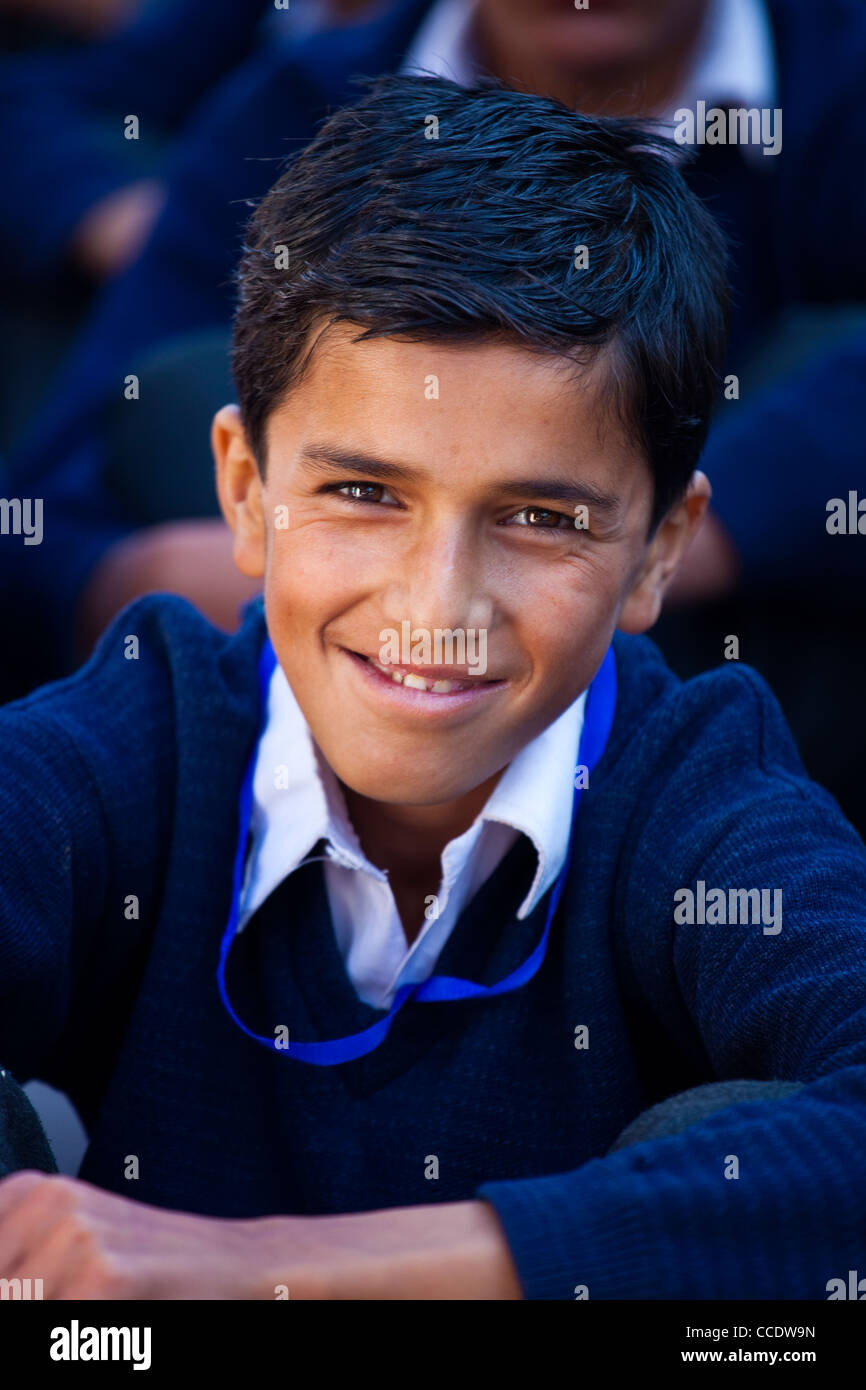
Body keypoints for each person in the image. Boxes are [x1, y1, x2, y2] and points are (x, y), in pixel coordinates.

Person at [0, 74, 864, 1300]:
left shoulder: (695, 789)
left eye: (538, 517)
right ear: (245, 494)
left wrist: (270, 1270)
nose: (435, 605)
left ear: (659, 551)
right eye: (363, 494)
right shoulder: (139, 738)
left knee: (735, 1152)